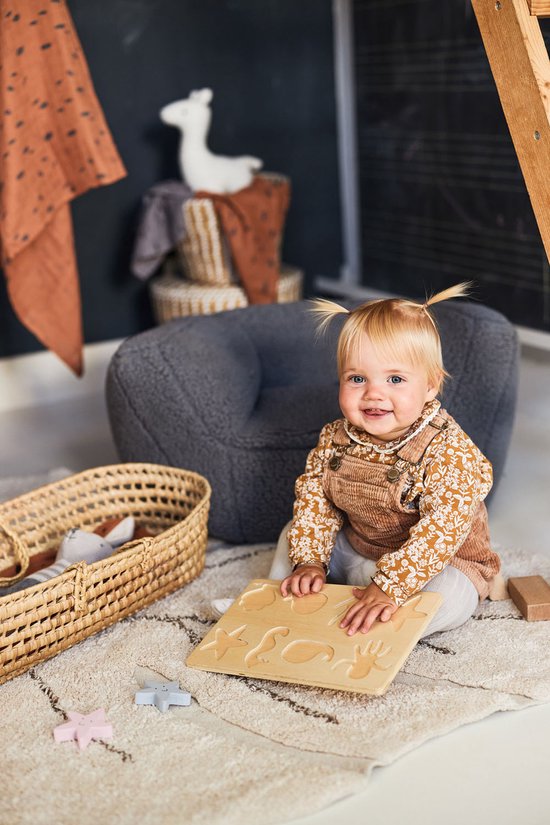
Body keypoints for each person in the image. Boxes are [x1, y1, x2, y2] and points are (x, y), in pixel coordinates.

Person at [268, 283, 501, 638]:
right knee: (294, 534)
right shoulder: (335, 438)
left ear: (430, 386)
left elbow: (440, 532)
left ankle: (374, 630)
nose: (374, 393)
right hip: (361, 549)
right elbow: (317, 501)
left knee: (451, 595)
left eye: (395, 379)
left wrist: (391, 586)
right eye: (357, 378)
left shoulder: (449, 450)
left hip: (438, 563)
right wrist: (311, 561)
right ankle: (272, 605)